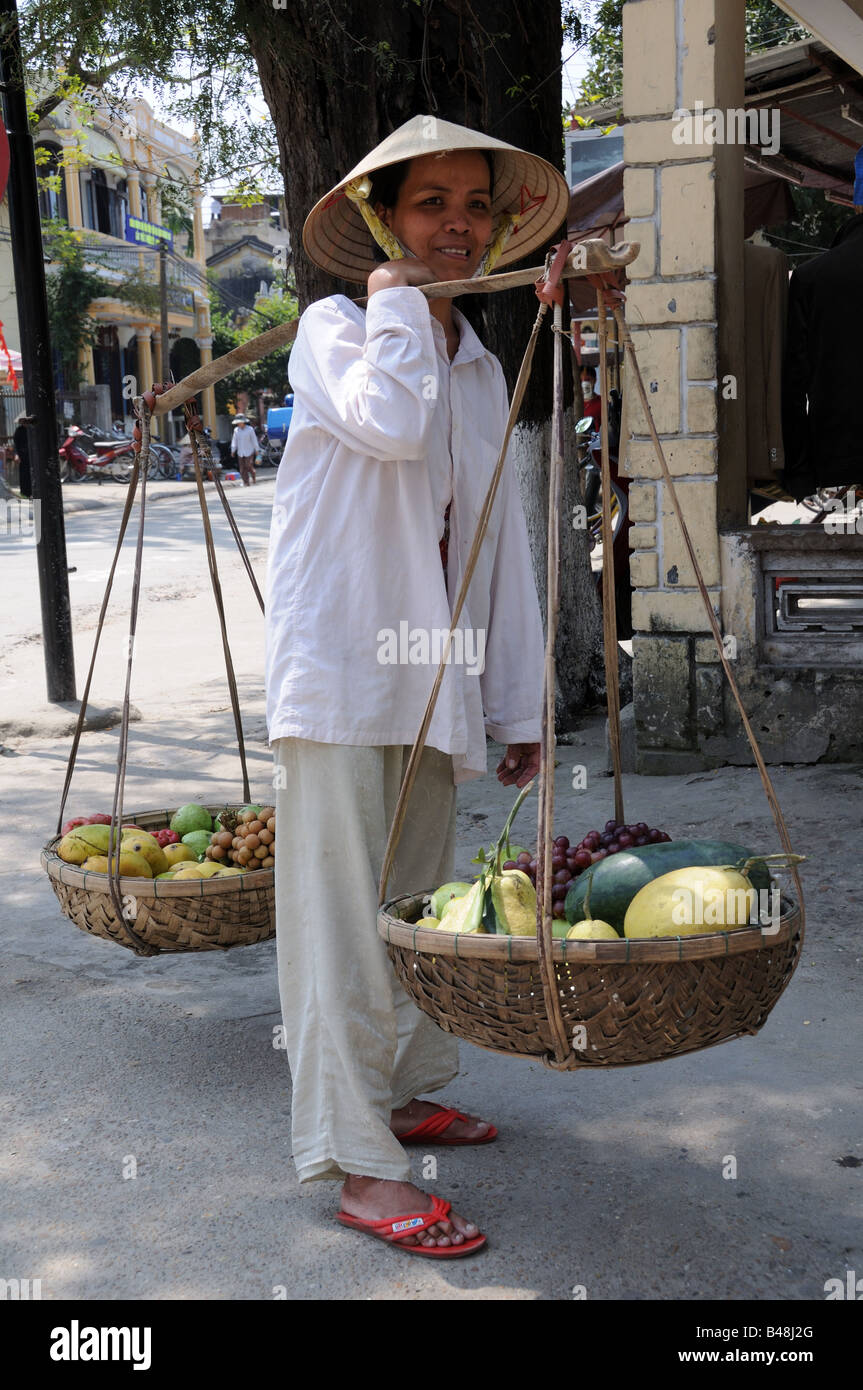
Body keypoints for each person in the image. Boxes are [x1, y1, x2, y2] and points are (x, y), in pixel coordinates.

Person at [265, 113, 568, 1257]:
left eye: (474, 205)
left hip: (426, 683)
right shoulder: (335, 331)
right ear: (382, 221)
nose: (455, 224)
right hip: (342, 674)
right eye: (430, 203)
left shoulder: (479, 362)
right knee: (341, 928)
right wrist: (399, 296)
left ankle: (395, 1096)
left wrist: (514, 703)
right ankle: (359, 1170)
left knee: (408, 905)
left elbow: (492, 545)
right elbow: (390, 429)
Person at [781, 144, 863, 500]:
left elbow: (792, 384)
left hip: (840, 457)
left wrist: (799, 471)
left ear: (856, 201)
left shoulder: (812, 278)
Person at [230, 414, 258, 486]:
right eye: (238, 422)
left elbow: (254, 440)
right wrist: (233, 450)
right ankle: (246, 482)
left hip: (249, 451)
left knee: (248, 466)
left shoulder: (250, 429)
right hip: (240, 452)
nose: (239, 424)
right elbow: (234, 441)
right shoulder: (236, 430)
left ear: (244, 422)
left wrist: (257, 449)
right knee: (242, 469)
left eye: (240, 422)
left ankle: (253, 475)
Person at [13, 414, 31, 498]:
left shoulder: (32, 430)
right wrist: (16, 455)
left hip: (32, 455)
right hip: (22, 456)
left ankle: (33, 492)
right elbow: (16, 444)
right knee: (24, 475)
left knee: (32, 474)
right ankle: (24, 493)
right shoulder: (18, 431)